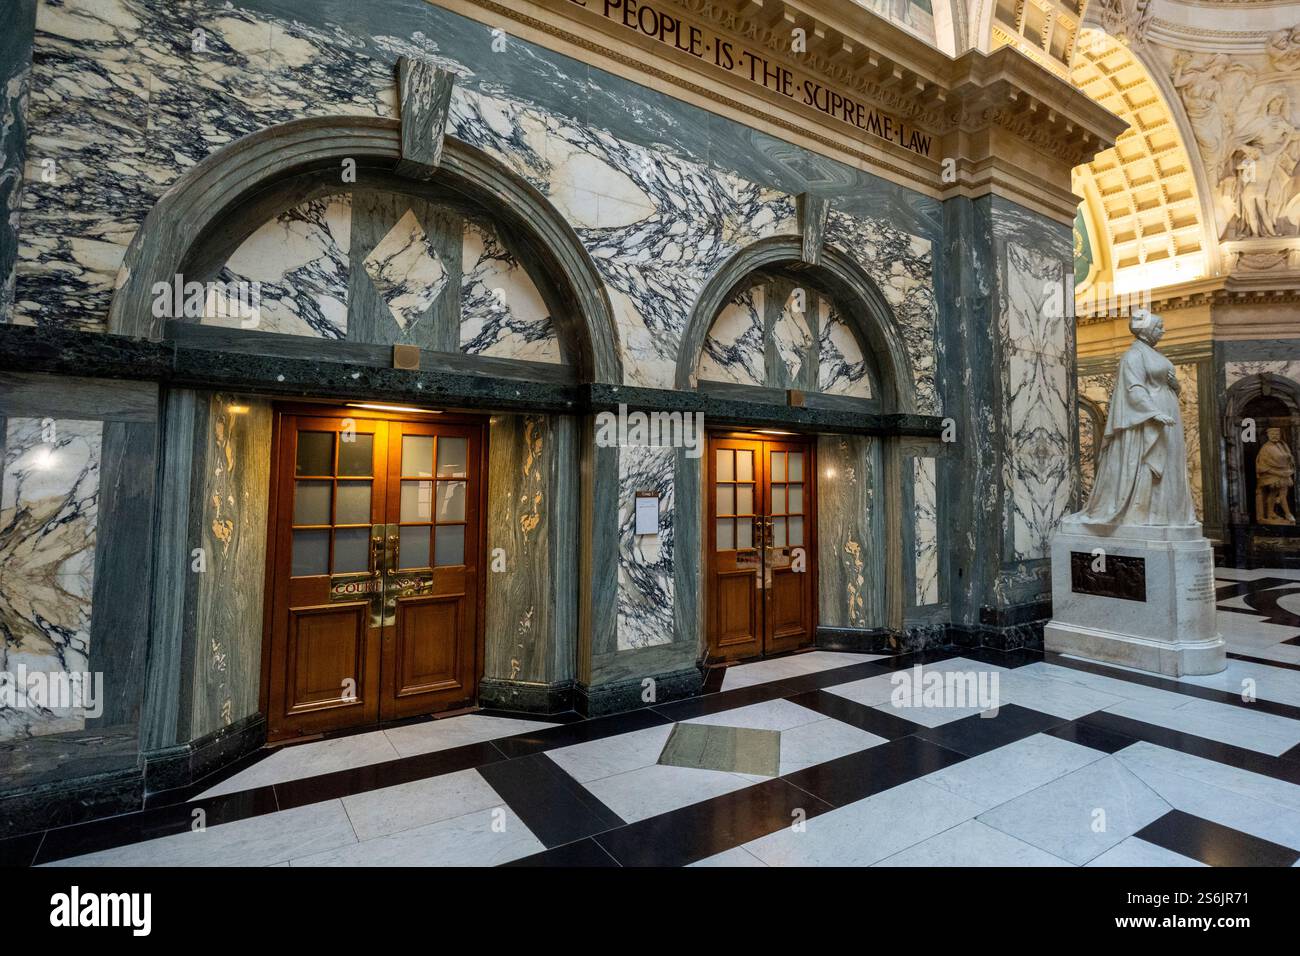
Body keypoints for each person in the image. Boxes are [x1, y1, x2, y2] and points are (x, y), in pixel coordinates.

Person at [1071, 309, 1197, 527]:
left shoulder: (1153, 354)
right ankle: (1141, 515)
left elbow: (1166, 384)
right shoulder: (1133, 355)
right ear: (1147, 331)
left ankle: (1165, 515)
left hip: (1166, 418)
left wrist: (1174, 386)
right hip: (1145, 421)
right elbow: (1134, 388)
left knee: (1168, 466)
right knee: (1146, 465)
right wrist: (1153, 412)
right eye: (1159, 327)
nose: (1164, 330)